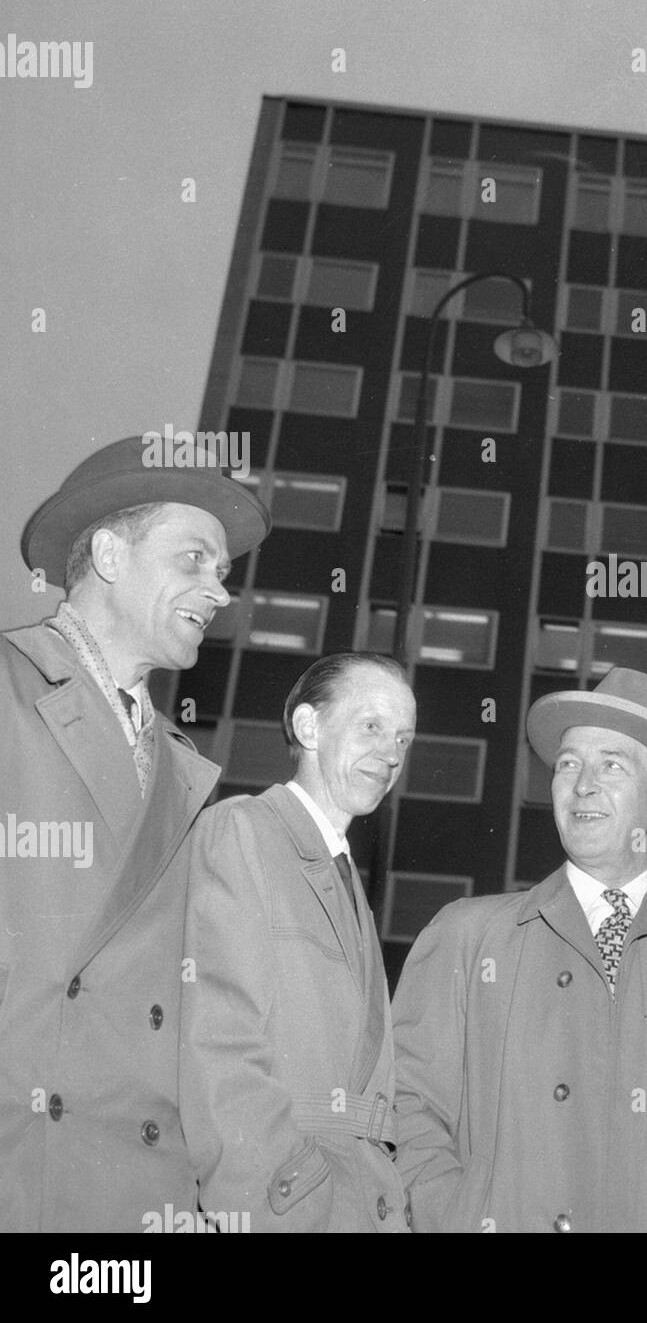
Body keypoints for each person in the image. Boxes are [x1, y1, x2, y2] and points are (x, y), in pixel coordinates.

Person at [391, 666, 647, 1232]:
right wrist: (455, 1215)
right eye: (568, 763)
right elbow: (407, 1104)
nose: (583, 784)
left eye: (612, 764)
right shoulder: (465, 937)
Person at [0, 435, 269, 1231]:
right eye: (193, 560)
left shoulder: (186, 771)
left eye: (223, 573)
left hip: (135, 1203)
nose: (218, 592)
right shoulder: (9, 692)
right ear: (111, 555)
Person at [179, 653, 417, 1232]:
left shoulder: (344, 878)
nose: (390, 754)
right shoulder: (245, 832)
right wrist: (286, 1207)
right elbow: (219, 1048)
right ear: (309, 727)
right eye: (371, 726)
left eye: (403, 739)